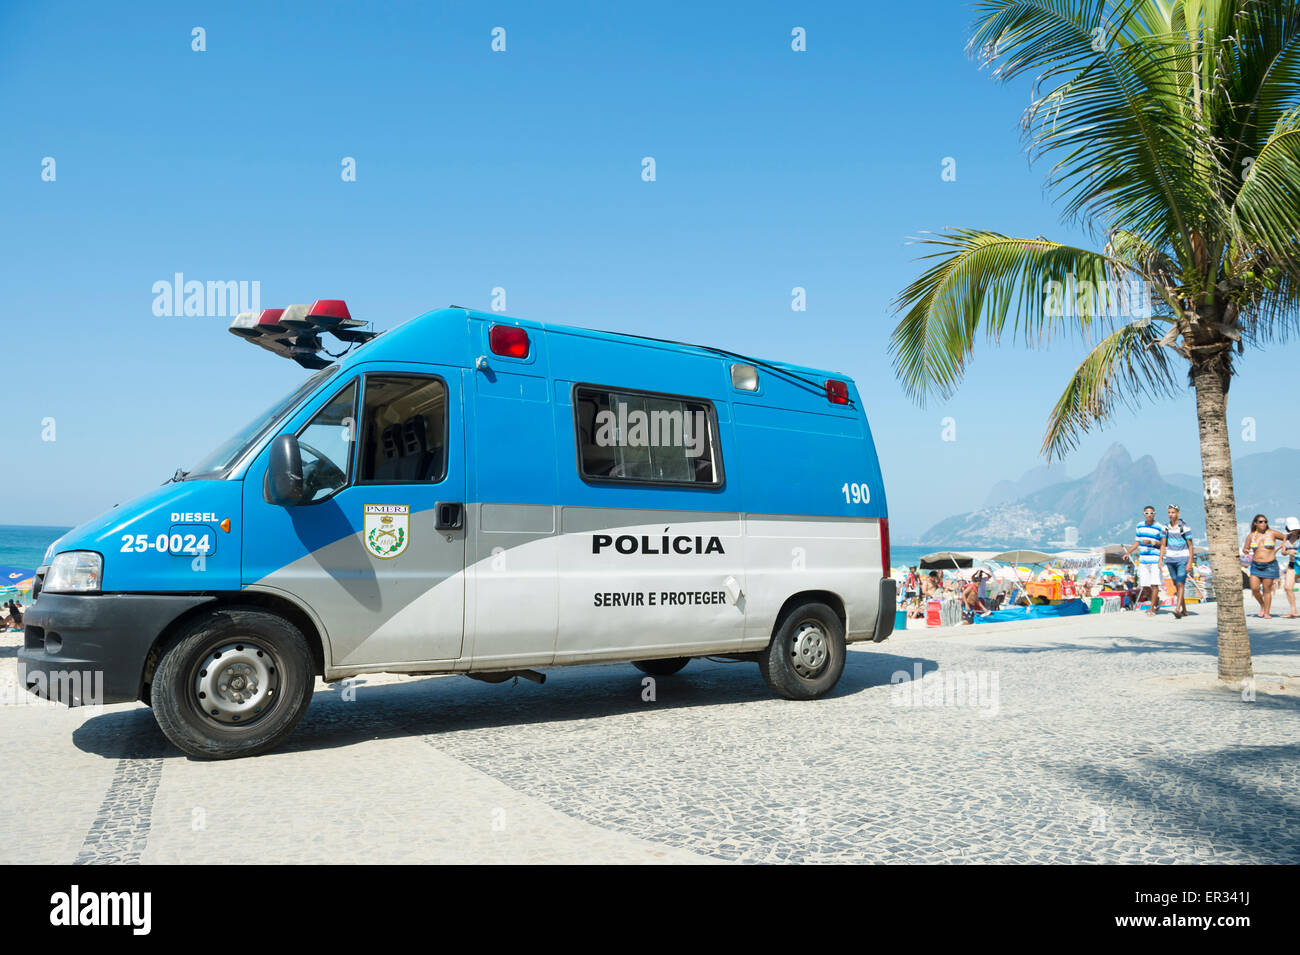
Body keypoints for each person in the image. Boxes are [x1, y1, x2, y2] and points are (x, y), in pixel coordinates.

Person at [1242, 514, 1287, 618]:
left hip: (1270, 565)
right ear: (1255, 523)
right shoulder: (1251, 535)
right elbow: (1245, 548)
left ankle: (1267, 612)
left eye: (1265, 521)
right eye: (1261, 522)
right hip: (1256, 565)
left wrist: (1280, 547)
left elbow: (1286, 537)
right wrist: (1246, 550)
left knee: (1267, 590)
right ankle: (1262, 605)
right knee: (1254, 589)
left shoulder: (1272, 533)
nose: (1264, 524)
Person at [1125, 505, 1166, 616]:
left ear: (1154, 514)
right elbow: (1137, 542)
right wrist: (1128, 552)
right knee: (1145, 585)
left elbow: (1163, 543)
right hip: (1143, 560)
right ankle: (1156, 600)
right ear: (1144, 514)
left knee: (1155, 584)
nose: (1149, 515)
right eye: (1147, 513)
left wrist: (1152, 542)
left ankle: (1152, 608)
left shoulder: (1159, 527)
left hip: (1155, 559)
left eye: (1151, 513)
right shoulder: (1139, 526)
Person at [1161, 504, 1196, 619]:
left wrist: (1190, 562)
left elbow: (1190, 546)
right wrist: (1160, 559)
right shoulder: (1165, 527)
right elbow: (1163, 544)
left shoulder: (1185, 527)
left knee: (1180, 583)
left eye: (1173, 512)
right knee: (1177, 585)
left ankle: (1177, 609)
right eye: (1169, 512)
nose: (1171, 515)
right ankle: (1185, 610)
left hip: (1182, 559)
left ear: (1178, 514)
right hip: (1170, 560)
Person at [1275, 517, 1299, 619]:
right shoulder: (1287, 537)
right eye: (1292, 529)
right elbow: (1283, 552)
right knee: (1287, 587)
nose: (1295, 531)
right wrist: (1289, 552)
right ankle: (1293, 611)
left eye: (1296, 529)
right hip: (1292, 565)